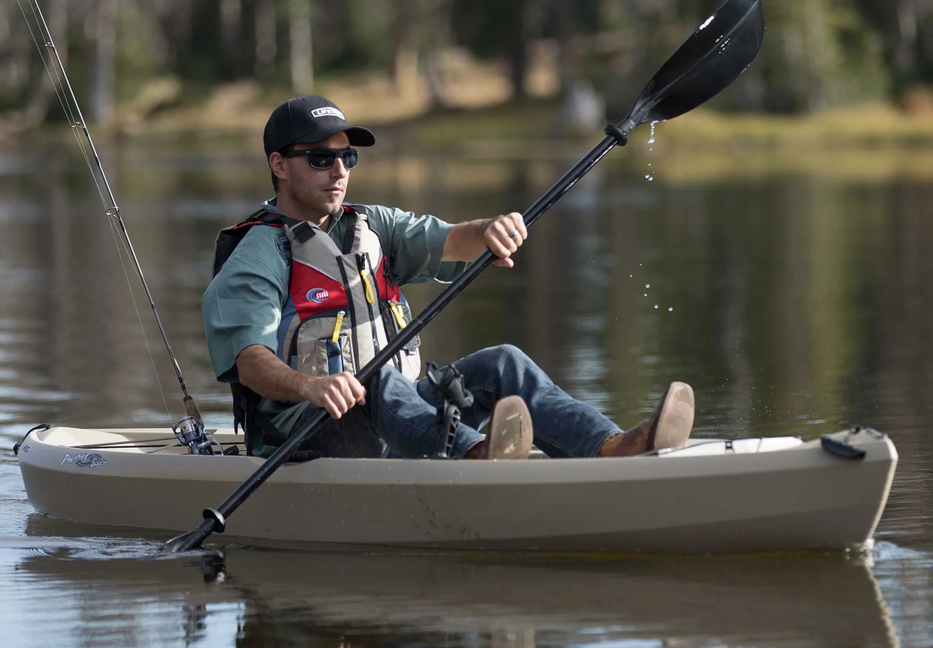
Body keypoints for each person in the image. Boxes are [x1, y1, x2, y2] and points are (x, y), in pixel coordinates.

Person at [202, 95, 695, 460]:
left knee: (503, 363)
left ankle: (612, 448)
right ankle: (476, 458)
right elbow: (250, 362)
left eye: (347, 157)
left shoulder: (374, 226)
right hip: (305, 435)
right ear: (278, 166)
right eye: (320, 158)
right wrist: (312, 387)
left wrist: (490, 229)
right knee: (377, 380)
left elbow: (458, 239)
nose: (339, 170)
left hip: (396, 417)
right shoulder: (259, 252)